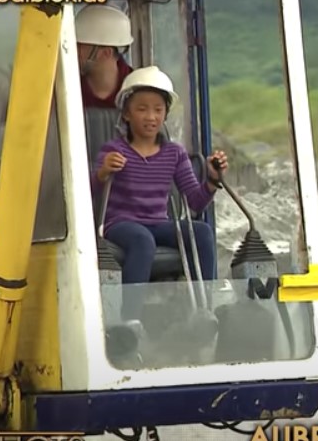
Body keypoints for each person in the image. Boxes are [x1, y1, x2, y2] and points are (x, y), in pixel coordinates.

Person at [92, 66, 228, 288]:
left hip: (158, 223)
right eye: (142, 109)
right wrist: (103, 171)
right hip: (121, 224)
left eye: (158, 109)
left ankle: (206, 307)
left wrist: (212, 180)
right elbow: (89, 192)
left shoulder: (174, 153)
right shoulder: (113, 150)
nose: (151, 117)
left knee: (202, 232)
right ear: (126, 113)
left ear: (165, 114)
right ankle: (130, 318)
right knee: (142, 240)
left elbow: (195, 201)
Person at [74, 4, 137, 161]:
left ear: (106, 53)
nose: (73, 52)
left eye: (80, 46)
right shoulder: (66, 89)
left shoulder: (138, 90)